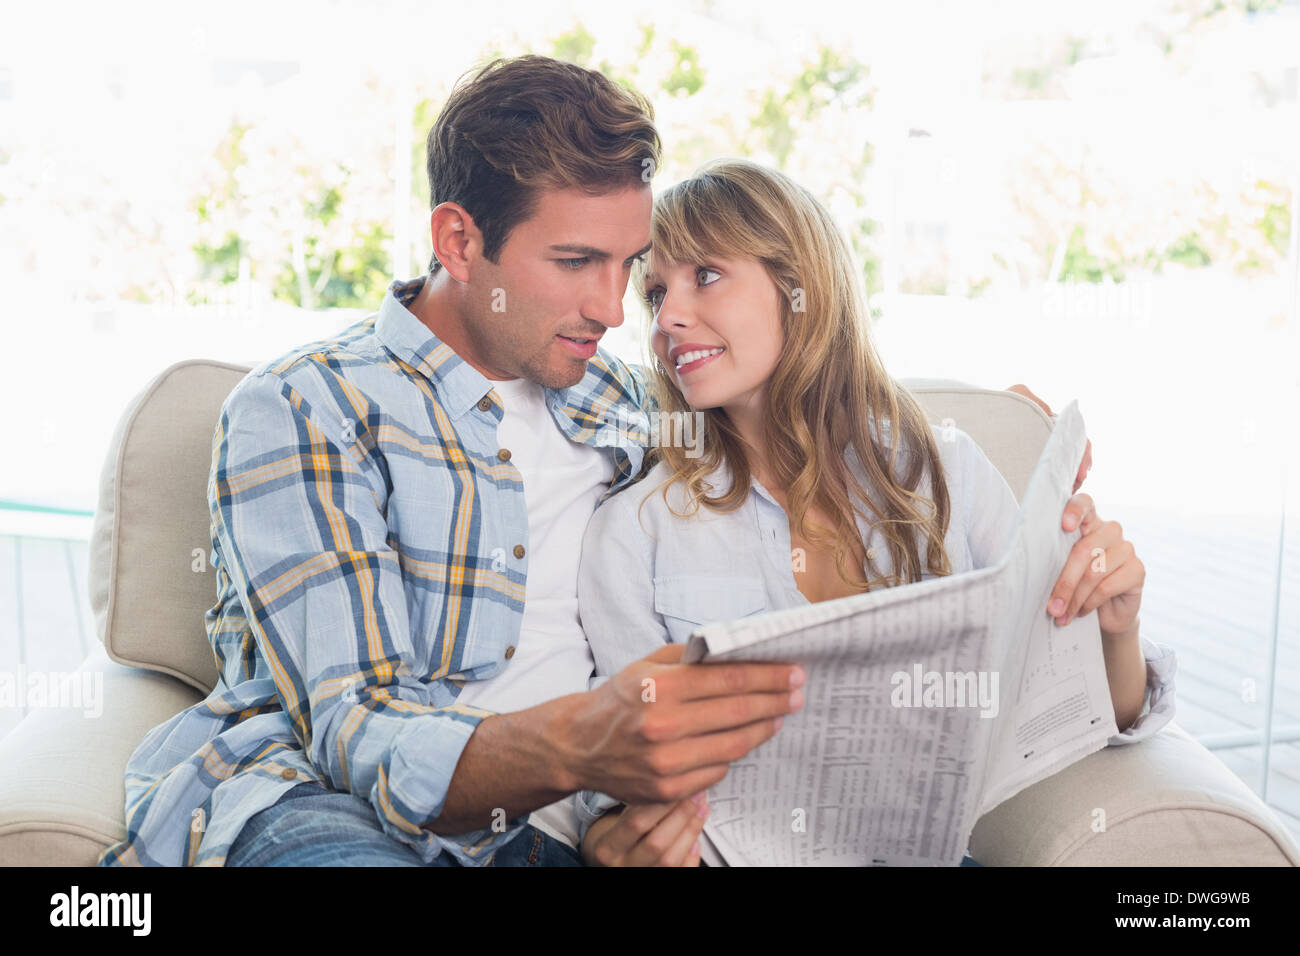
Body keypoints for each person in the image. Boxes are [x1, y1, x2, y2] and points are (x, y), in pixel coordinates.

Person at [95, 54, 1110, 868]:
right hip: (331, 808)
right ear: (458, 239)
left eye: (629, 265)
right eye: (577, 261)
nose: (614, 305)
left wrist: (958, 424)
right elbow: (355, 728)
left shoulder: (616, 400)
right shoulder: (308, 404)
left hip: (560, 828)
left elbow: (774, 404)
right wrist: (584, 740)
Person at [575, 158, 1176, 866]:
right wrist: (610, 843)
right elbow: (615, 783)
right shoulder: (633, 532)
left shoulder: (944, 472)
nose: (667, 317)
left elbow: (1099, 714)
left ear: (801, 288)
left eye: (704, 275)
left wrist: (1116, 626)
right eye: (655, 292)